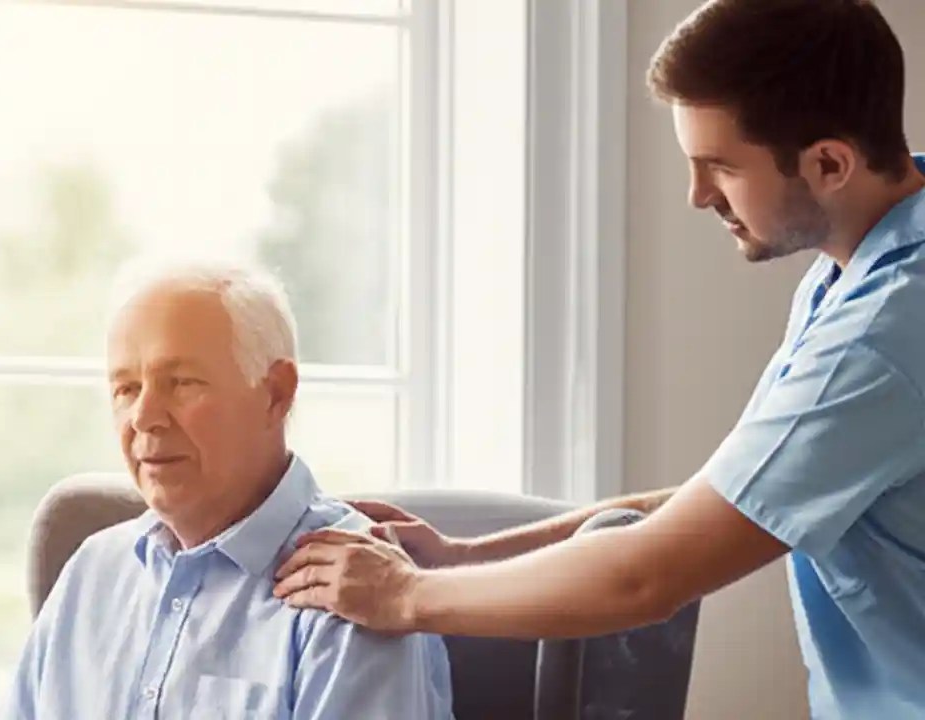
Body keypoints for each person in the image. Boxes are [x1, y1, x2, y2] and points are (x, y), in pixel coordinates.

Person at [272, 1, 925, 718]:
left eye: (720, 167)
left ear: (830, 162)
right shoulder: (861, 268)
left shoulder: (884, 331)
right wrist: (464, 557)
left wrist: (404, 596)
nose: (698, 193)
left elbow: (646, 579)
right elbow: (724, 497)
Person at [0, 259, 453, 719]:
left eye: (181, 383)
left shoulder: (357, 592)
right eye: (127, 388)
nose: (144, 417)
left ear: (275, 393)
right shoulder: (91, 573)